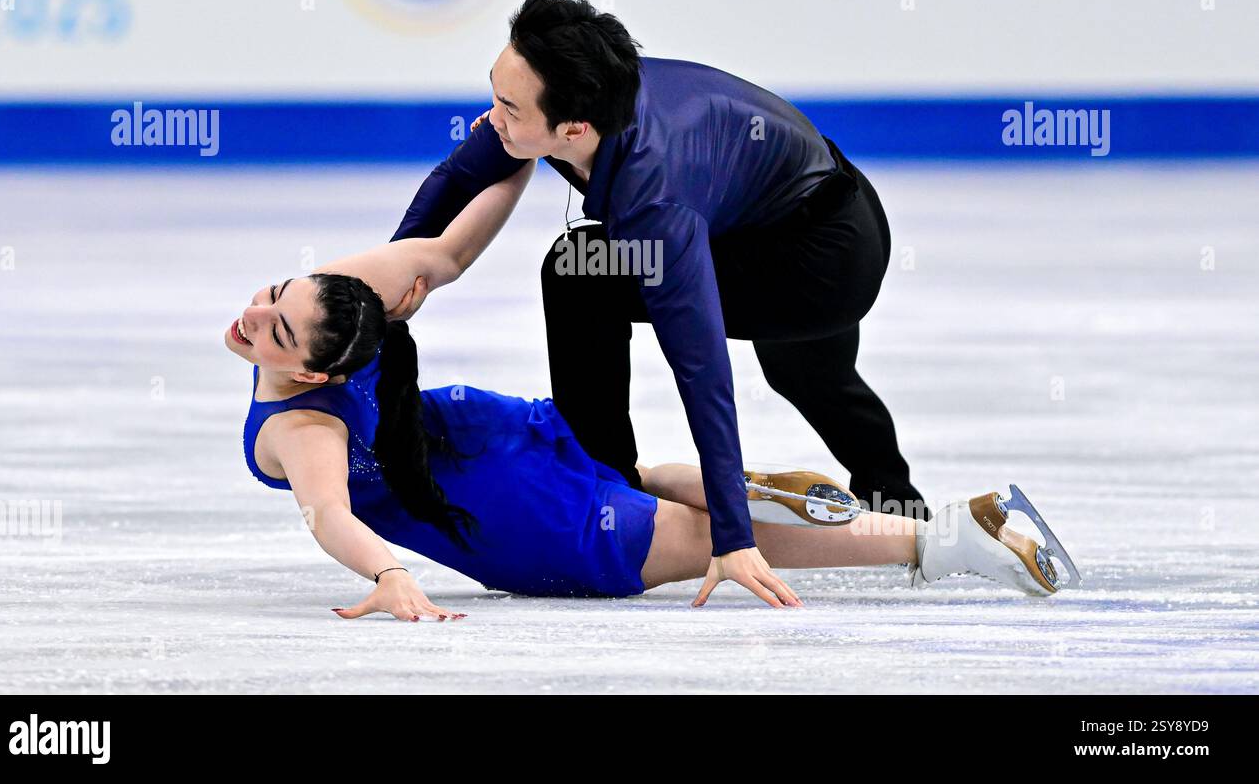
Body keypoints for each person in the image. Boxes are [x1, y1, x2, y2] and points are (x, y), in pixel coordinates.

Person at [227, 163, 1073, 619]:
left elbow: (330, 514)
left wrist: (386, 573)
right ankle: (775, 499)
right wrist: (512, 156)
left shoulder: (301, 415)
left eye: (274, 305)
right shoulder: (340, 312)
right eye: (271, 318)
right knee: (666, 492)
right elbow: (443, 255)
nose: (253, 314)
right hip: (519, 436)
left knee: (719, 543)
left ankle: (957, 539)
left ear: (315, 366)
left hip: (527, 526)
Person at [387, 0, 930, 608]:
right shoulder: (573, 92)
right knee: (811, 375)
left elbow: (701, 371)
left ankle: (604, 485)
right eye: (494, 91)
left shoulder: (656, 197)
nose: (491, 118)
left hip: (823, 260)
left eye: (507, 106)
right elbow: (456, 177)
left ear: (575, 129)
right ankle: (900, 509)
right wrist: (379, 296)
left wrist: (732, 537)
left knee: (579, 273)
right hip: (778, 212)